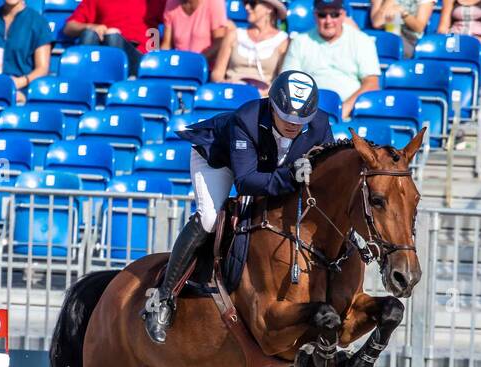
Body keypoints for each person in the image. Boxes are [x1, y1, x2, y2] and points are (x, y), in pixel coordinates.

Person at [140, 70, 332, 343]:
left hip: (266, 166)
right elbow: (247, 182)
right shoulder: (247, 119)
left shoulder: (321, 125)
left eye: (301, 120)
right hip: (219, 160)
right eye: (287, 117)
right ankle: (162, 298)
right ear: (273, 105)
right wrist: (291, 176)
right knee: (208, 218)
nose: (294, 125)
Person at [279, 0, 379, 119]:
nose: (328, 21)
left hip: (349, 115)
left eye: (334, 14)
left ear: (343, 15)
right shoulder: (300, 42)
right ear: (315, 15)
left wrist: (344, 109)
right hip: (307, 113)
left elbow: (372, 83)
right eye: (322, 15)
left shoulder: (362, 41)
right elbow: (287, 81)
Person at [0, 0, 54, 104]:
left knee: (15, 99)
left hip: (23, 88)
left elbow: (42, 68)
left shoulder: (38, 23)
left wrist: (19, 82)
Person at [210, 0, 289, 90]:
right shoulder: (234, 35)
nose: (247, 7)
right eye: (245, 3)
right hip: (232, 93)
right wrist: (223, 83)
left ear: (269, 8)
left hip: (263, 98)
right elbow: (217, 73)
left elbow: (282, 81)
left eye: (252, 3)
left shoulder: (283, 41)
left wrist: (265, 93)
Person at [63, 0, 150, 77]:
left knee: (113, 37)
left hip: (139, 56)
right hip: (105, 49)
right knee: (89, 34)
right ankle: (85, 85)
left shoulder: (153, 2)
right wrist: (91, 26)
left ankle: (122, 82)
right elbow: (69, 27)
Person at [161, 0, 231, 64]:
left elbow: (219, 41)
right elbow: (167, 44)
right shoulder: (171, 3)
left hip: (206, 68)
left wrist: (197, 62)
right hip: (178, 66)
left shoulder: (214, 2)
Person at [368, 0, 433, 58]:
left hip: (410, 39)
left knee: (394, 18)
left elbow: (419, 28)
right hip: (384, 35)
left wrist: (403, 14)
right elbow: (376, 23)